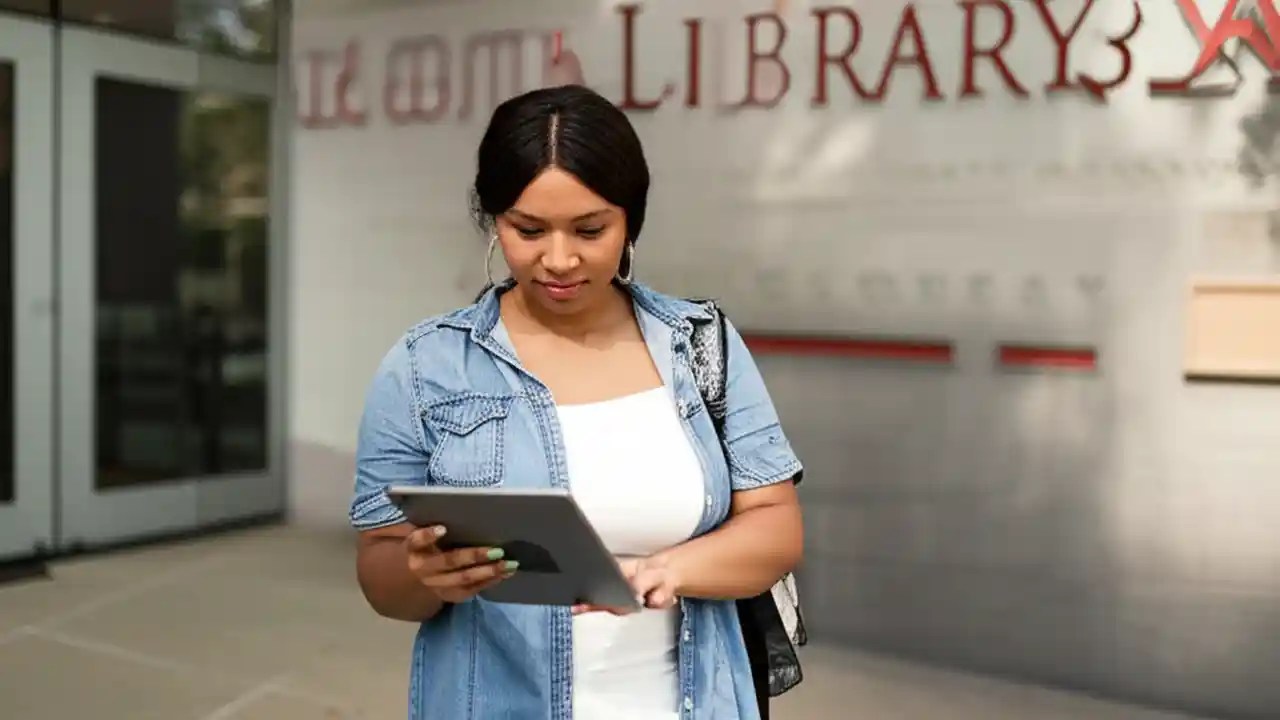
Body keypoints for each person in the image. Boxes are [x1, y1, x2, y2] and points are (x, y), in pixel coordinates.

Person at [350, 84, 804, 720]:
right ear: (493, 218)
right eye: (528, 230)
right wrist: (421, 575)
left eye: (590, 230)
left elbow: (776, 526)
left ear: (630, 221)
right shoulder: (424, 367)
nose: (558, 261)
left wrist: (671, 569)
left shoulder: (700, 345)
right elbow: (381, 572)